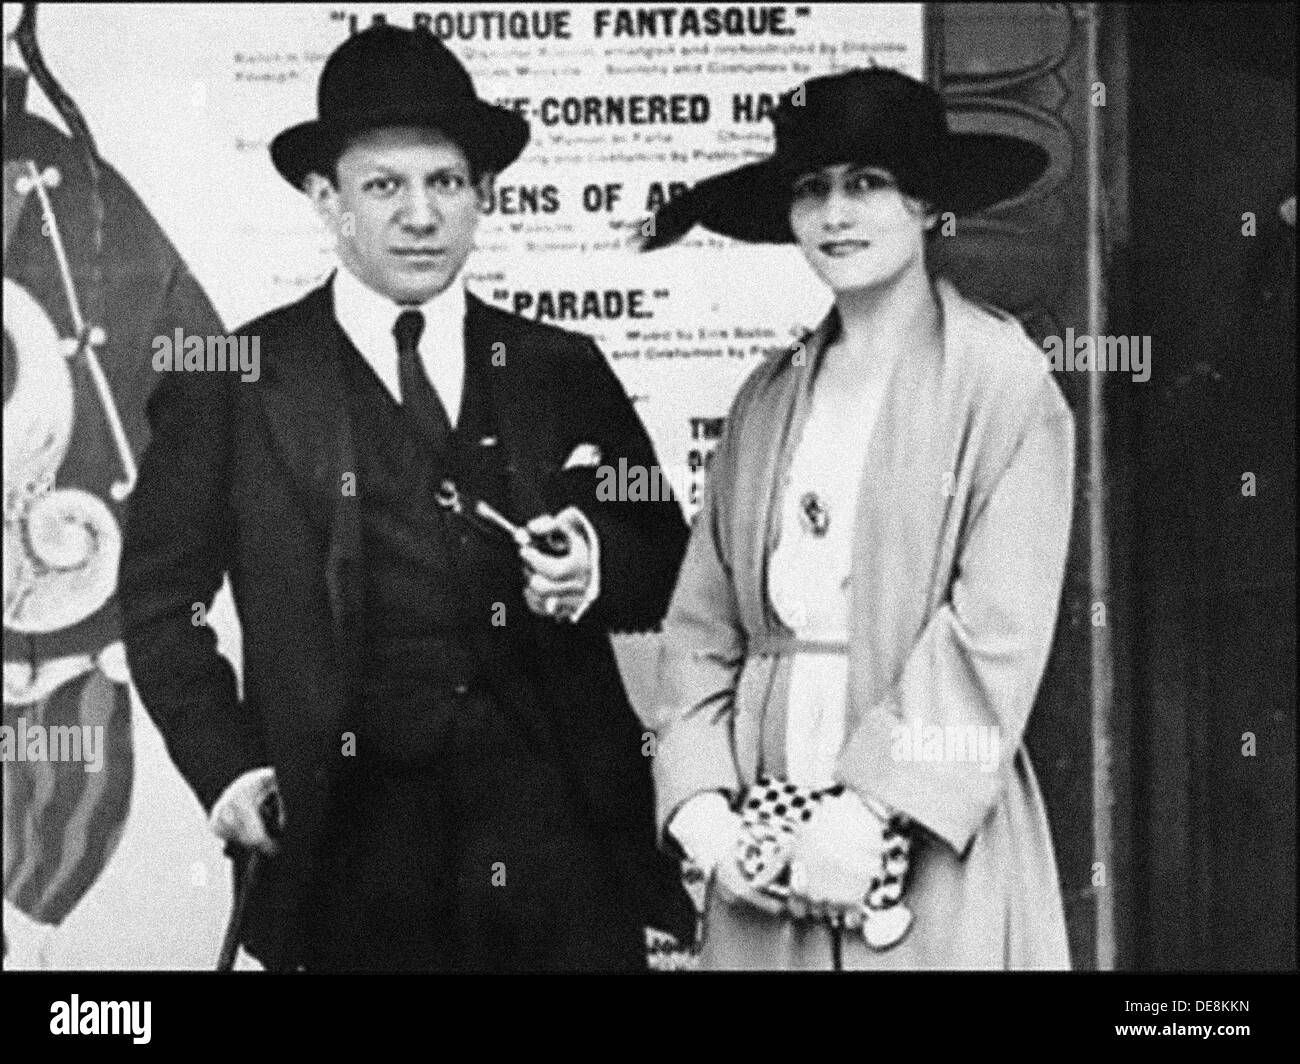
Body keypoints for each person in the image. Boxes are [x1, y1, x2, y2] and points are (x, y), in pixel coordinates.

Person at [119, 24, 693, 971]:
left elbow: (663, 552)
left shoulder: (558, 366)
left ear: (484, 198)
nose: (420, 215)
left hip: (560, 854)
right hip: (348, 853)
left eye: (447, 183)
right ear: (325, 199)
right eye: (384, 186)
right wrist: (228, 767)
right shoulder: (237, 378)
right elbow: (159, 605)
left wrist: (593, 563)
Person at [645, 67, 1075, 969]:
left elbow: (996, 631)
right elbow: (702, 628)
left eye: (867, 184)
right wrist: (704, 811)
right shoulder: (766, 398)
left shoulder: (1000, 382)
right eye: (812, 189)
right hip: (762, 838)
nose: (837, 214)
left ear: (924, 204)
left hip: (925, 830)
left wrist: (870, 809)